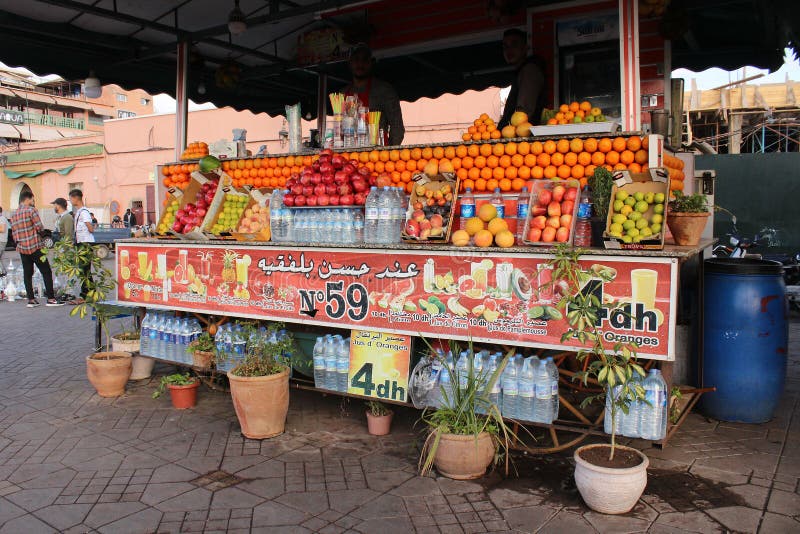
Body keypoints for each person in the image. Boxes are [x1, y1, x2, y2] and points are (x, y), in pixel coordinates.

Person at [343, 43, 405, 146]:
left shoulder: (385, 90)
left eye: (365, 60)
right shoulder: (342, 94)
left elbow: (397, 128)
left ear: (371, 63)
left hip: (377, 156)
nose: (360, 64)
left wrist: (388, 154)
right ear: (350, 63)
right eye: (356, 59)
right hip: (348, 155)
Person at [9, 191, 63, 307]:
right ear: (28, 199)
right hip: (35, 246)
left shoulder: (13, 214)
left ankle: (31, 300)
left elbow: (13, 233)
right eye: (32, 200)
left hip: (22, 248)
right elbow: (39, 226)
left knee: (27, 274)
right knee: (46, 271)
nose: (33, 202)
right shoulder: (31, 210)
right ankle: (51, 299)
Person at [498, 28, 546, 129]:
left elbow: (523, 112)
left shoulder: (529, 70)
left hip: (524, 136)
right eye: (505, 46)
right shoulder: (522, 71)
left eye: (514, 45)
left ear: (525, 48)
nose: (509, 50)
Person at [69, 189, 95, 304]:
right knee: (84, 271)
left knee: (84, 271)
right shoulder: (79, 211)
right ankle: (91, 293)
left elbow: (90, 228)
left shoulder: (84, 212)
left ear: (75, 198)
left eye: (71, 198)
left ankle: (85, 295)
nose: (70, 201)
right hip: (80, 243)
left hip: (85, 244)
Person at [0, 206, 8, 274]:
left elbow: (2, 229)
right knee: (1, 258)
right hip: (1, 241)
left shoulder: (2, 218)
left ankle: (2, 272)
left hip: (1, 241)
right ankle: (3, 272)